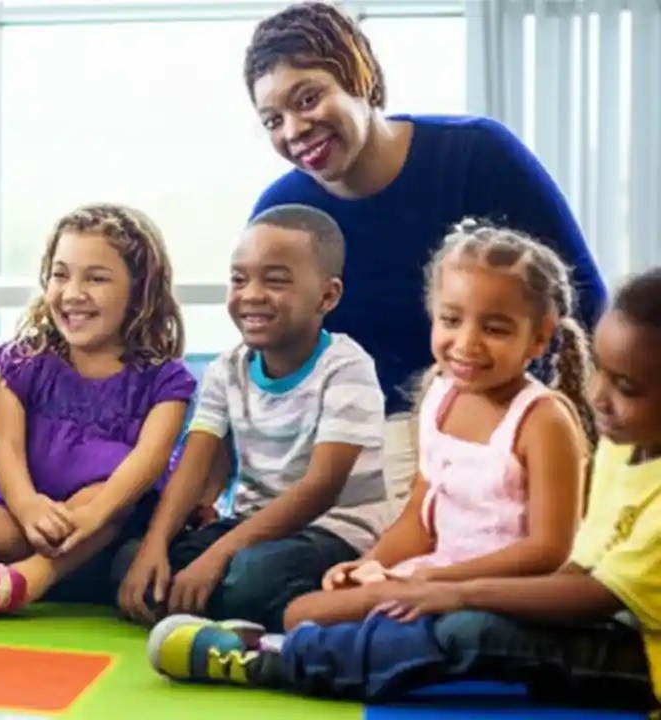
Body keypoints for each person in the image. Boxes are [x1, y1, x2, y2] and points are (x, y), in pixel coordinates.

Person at [146, 267, 661, 715]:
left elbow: (586, 592)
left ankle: (279, 659)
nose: (598, 397)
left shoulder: (551, 422)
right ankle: (315, 639)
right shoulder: (628, 439)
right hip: (594, 610)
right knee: (344, 609)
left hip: (643, 660)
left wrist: (447, 590)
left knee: (469, 632)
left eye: (627, 388)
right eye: (603, 372)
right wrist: (386, 571)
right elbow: (578, 562)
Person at [245, 1, 607, 504]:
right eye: (272, 120)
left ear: (361, 77)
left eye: (308, 99)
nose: (293, 129)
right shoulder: (282, 213)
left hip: (501, 409)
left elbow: (582, 298)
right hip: (365, 441)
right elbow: (272, 356)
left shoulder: (477, 156)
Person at [274, 220, 593, 629]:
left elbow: (550, 549)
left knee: (450, 630)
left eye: (494, 328)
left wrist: (439, 582)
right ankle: (314, 653)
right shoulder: (442, 395)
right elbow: (419, 521)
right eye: (451, 320)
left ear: (539, 338)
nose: (467, 343)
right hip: (436, 575)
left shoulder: (544, 421)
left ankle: (295, 660)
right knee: (302, 613)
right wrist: (369, 567)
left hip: (509, 594)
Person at [116, 204, 388, 633]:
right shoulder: (228, 369)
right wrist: (155, 545)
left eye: (275, 281)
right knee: (133, 563)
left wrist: (216, 557)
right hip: (248, 529)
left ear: (328, 296)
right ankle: (231, 603)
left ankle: (333, 604)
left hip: (332, 533)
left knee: (250, 579)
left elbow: (319, 489)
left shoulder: (346, 368)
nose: (252, 295)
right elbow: (195, 461)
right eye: (239, 280)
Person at [0, 203, 196, 617]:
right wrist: (28, 507)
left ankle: (28, 582)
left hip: (109, 522)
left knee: (103, 498)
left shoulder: (164, 380)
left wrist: (91, 516)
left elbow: (148, 463)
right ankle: (59, 572)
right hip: (31, 519)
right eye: (61, 274)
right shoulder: (21, 364)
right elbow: (6, 451)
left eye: (95, 278)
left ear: (138, 289)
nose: (73, 293)